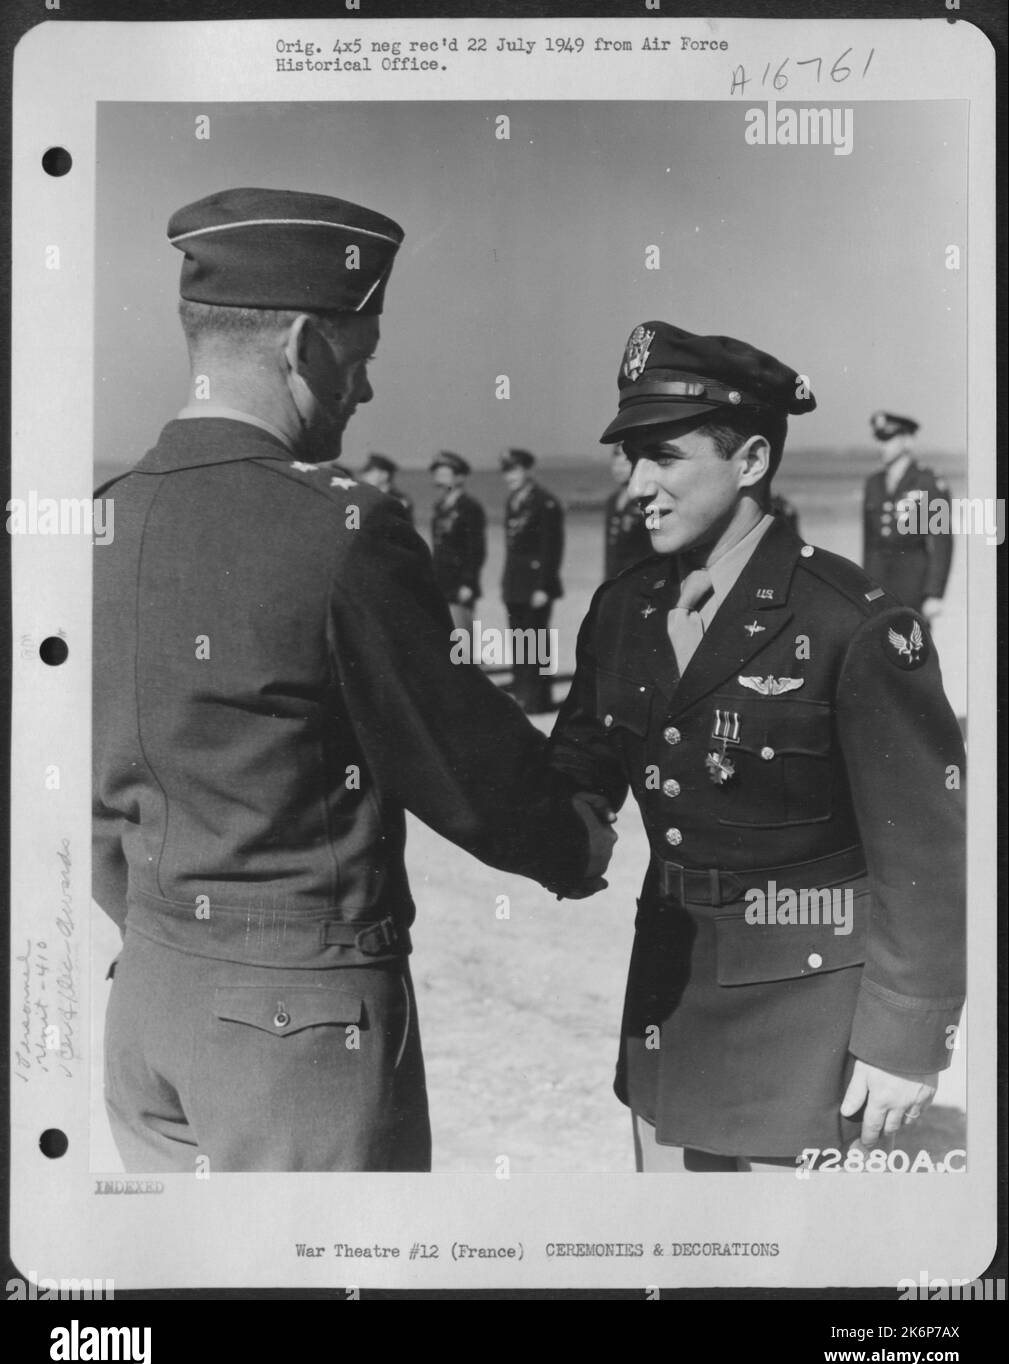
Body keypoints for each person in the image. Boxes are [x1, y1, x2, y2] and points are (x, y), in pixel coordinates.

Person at [92, 187, 616, 1174]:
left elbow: (86, 785)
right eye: (362, 356)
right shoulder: (338, 525)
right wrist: (570, 838)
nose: (367, 391)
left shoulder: (105, 515)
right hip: (297, 1025)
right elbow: (451, 749)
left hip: (148, 1001)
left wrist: (158, 938)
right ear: (302, 343)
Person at [548, 321, 965, 1172]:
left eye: (664, 456)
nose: (638, 486)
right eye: (632, 459)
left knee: (783, 1265)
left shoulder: (852, 620)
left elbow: (923, 847)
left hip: (803, 1007)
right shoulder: (622, 608)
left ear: (749, 463)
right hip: (668, 986)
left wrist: (907, 1038)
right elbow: (578, 773)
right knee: (669, 1240)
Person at [863, 412, 952, 623]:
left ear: (908, 441)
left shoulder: (928, 482)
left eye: (888, 439)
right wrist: (864, 587)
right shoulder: (873, 483)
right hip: (878, 588)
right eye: (879, 439)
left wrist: (935, 594)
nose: (882, 446)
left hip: (914, 587)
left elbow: (942, 542)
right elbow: (868, 544)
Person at [500, 447, 565, 713]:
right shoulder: (513, 501)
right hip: (515, 584)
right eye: (506, 471)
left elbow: (552, 547)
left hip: (536, 585)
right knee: (519, 641)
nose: (510, 476)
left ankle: (538, 699)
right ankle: (523, 695)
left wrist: (543, 586)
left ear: (527, 470)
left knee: (535, 642)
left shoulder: (544, 502)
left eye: (514, 470)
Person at [428, 450, 487, 635]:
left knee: (462, 642)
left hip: (459, 583)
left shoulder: (469, 507)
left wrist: (468, 582)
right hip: (440, 581)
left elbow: (476, 548)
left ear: (460, 477)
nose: (439, 479)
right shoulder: (440, 507)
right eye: (437, 474)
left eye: (444, 474)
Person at [605, 442, 652, 578]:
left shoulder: (650, 500)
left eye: (624, 464)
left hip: (641, 578)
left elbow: (658, 541)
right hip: (616, 579)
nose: (618, 469)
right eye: (615, 464)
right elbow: (609, 551)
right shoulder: (612, 501)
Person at [360, 451, 415, 526]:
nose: (365, 476)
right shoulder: (368, 497)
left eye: (370, 472)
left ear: (384, 475)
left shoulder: (399, 500)